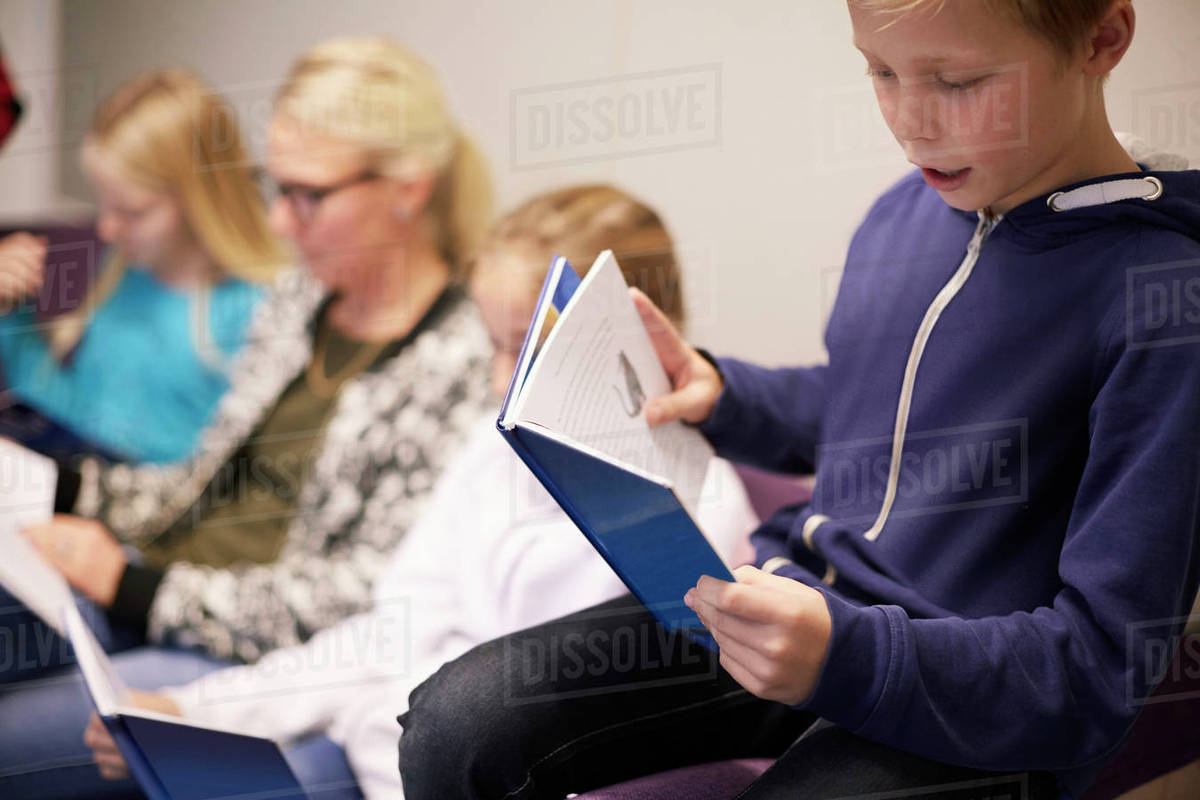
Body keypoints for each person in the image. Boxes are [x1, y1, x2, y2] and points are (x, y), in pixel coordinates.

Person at [395, 2, 1200, 799]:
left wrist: (850, 658)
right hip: (801, 599)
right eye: (880, 72)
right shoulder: (905, 213)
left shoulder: (1164, 300)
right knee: (456, 725)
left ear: (1102, 39)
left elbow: (1100, 665)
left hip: (979, 701)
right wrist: (724, 395)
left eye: (956, 81)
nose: (910, 122)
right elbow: (868, 413)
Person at [79, 183, 761, 800]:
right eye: (494, 347)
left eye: (524, 351)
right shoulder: (489, 454)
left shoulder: (699, 510)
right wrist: (199, 710)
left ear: (635, 340)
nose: (500, 384)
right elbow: (396, 627)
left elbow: (599, 728)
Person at [0, 37, 493, 798]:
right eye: (275, 186)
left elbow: (370, 603)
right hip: (157, 585)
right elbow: (203, 478)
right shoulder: (304, 300)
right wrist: (60, 492)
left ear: (407, 188)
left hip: (243, 652)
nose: (279, 221)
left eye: (307, 194)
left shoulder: (464, 360)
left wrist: (140, 590)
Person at [0, 68, 283, 464]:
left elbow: (223, 486)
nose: (106, 228)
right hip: (74, 480)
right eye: (103, 203)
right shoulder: (129, 269)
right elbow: (74, 414)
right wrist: (11, 311)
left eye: (131, 211)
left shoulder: (253, 309)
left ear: (197, 199)